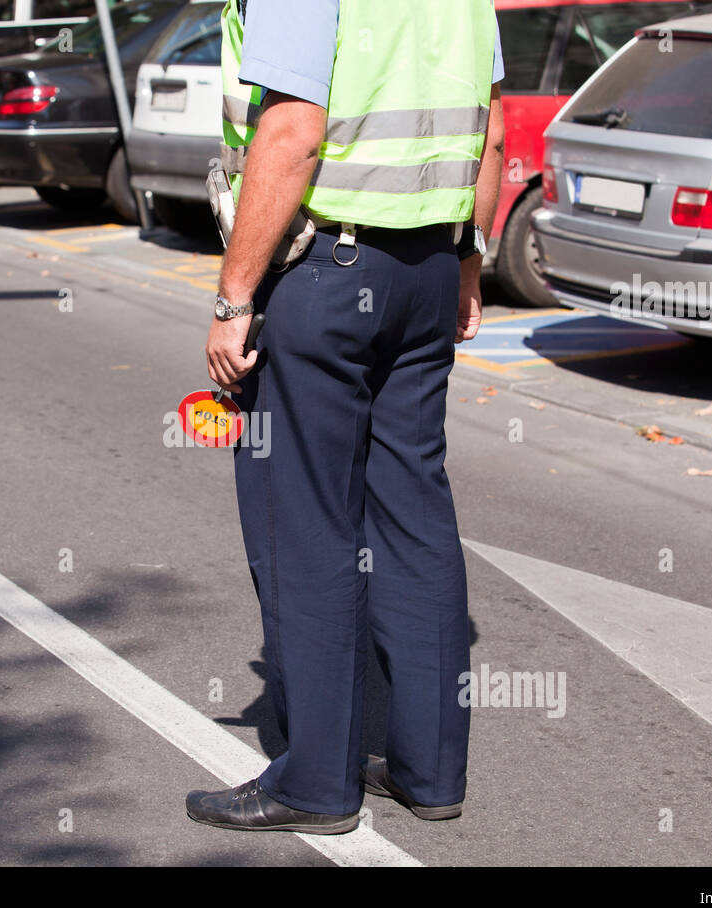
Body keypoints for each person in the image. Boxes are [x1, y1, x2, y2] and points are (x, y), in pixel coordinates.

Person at [186, 0, 506, 834]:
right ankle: (431, 773)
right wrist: (468, 258)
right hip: (429, 265)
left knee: (307, 522)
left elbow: (292, 132)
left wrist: (234, 296)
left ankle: (318, 783)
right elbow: (492, 128)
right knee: (416, 514)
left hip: (331, 269)